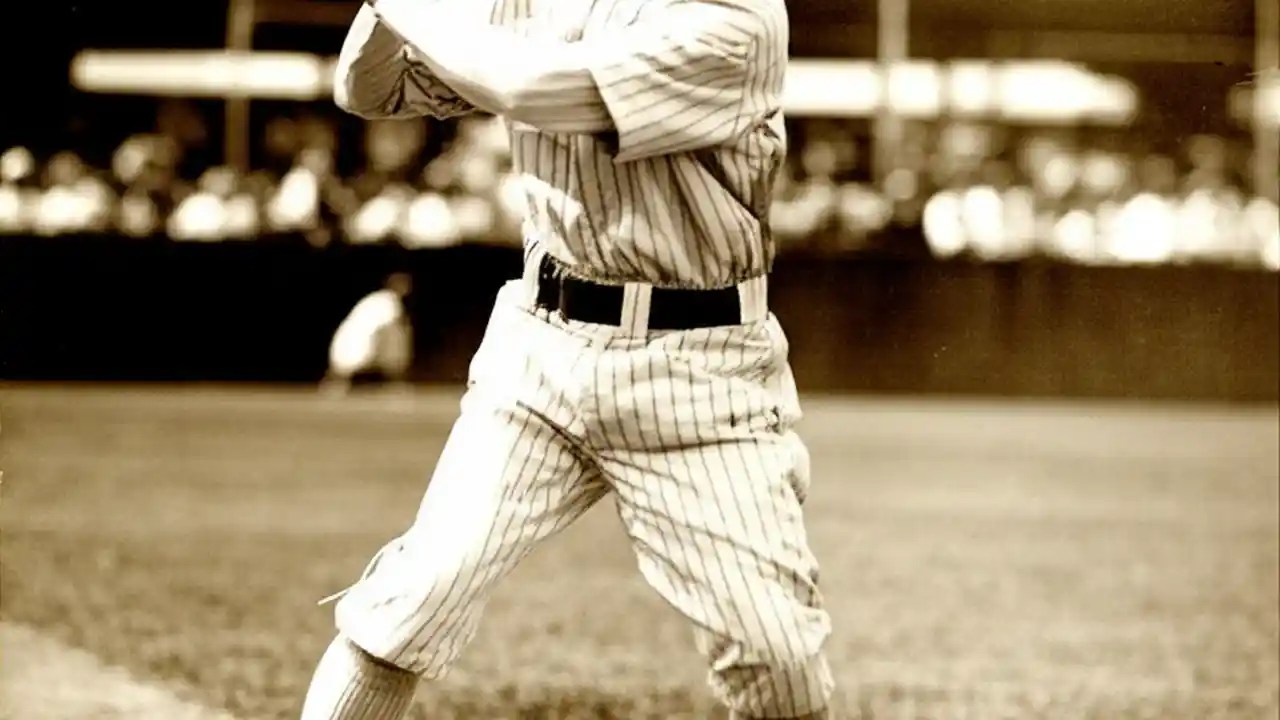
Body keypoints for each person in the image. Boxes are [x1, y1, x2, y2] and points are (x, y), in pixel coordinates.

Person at [300, 1, 835, 719]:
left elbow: (534, 87)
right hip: (541, 348)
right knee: (411, 600)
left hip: (700, 369)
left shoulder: (739, 16)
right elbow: (370, 89)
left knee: (779, 661)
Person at [322, 272, 415, 396]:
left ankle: (394, 384)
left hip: (360, 338)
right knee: (350, 362)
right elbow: (389, 328)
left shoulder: (379, 299)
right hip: (360, 338)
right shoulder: (387, 302)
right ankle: (395, 384)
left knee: (348, 362)